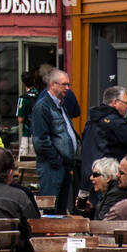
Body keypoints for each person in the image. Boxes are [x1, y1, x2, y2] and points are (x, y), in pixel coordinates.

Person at [31, 68, 79, 214]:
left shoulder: (60, 105)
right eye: (64, 85)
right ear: (52, 85)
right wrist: (57, 160)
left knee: (61, 211)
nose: (67, 88)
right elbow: (40, 141)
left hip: (63, 166)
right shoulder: (42, 106)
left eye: (68, 84)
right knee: (51, 210)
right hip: (52, 168)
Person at [79, 87, 127, 192]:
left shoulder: (92, 120)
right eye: (126, 103)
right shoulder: (113, 122)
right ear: (115, 102)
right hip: (107, 177)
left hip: (89, 174)